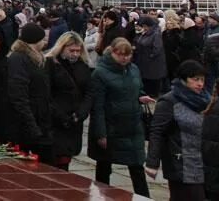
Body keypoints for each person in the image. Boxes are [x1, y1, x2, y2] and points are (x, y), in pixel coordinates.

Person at [88, 37, 153, 198]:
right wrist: (101, 133)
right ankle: (100, 196)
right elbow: (97, 106)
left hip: (132, 125)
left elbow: (138, 89)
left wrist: (141, 97)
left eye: (128, 55)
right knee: (104, 165)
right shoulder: (100, 73)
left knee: (137, 166)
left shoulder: (134, 69)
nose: (124, 58)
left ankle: (144, 197)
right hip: (111, 126)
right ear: (113, 53)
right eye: (120, 54)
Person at [147, 60, 209, 200]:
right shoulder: (169, 102)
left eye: (202, 79)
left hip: (201, 161)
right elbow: (157, 132)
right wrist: (152, 162)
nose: (200, 84)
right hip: (180, 162)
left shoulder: (204, 100)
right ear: (184, 80)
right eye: (195, 79)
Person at [45, 31, 92, 171]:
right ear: (62, 47)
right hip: (56, 120)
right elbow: (46, 94)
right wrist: (60, 115)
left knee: (66, 158)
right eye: (72, 50)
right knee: (55, 161)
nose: (75, 54)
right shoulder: (50, 64)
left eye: (78, 51)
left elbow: (89, 92)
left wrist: (82, 113)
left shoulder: (82, 66)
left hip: (75, 119)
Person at [6, 23, 53, 163]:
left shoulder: (35, 58)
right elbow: (18, 95)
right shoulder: (19, 59)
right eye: (42, 39)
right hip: (26, 125)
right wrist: (32, 126)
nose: (45, 42)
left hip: (39, 120)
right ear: (35, 40)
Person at [136, 15, 168, 98]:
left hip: (153, 61)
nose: (144, 28)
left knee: (153, 78)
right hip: (145, 60)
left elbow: (157, 48)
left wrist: (151, 55)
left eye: (145, 26)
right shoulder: (145, 33)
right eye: (143, 26)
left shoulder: (156, 34)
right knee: (146, 78)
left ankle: (153, 94)